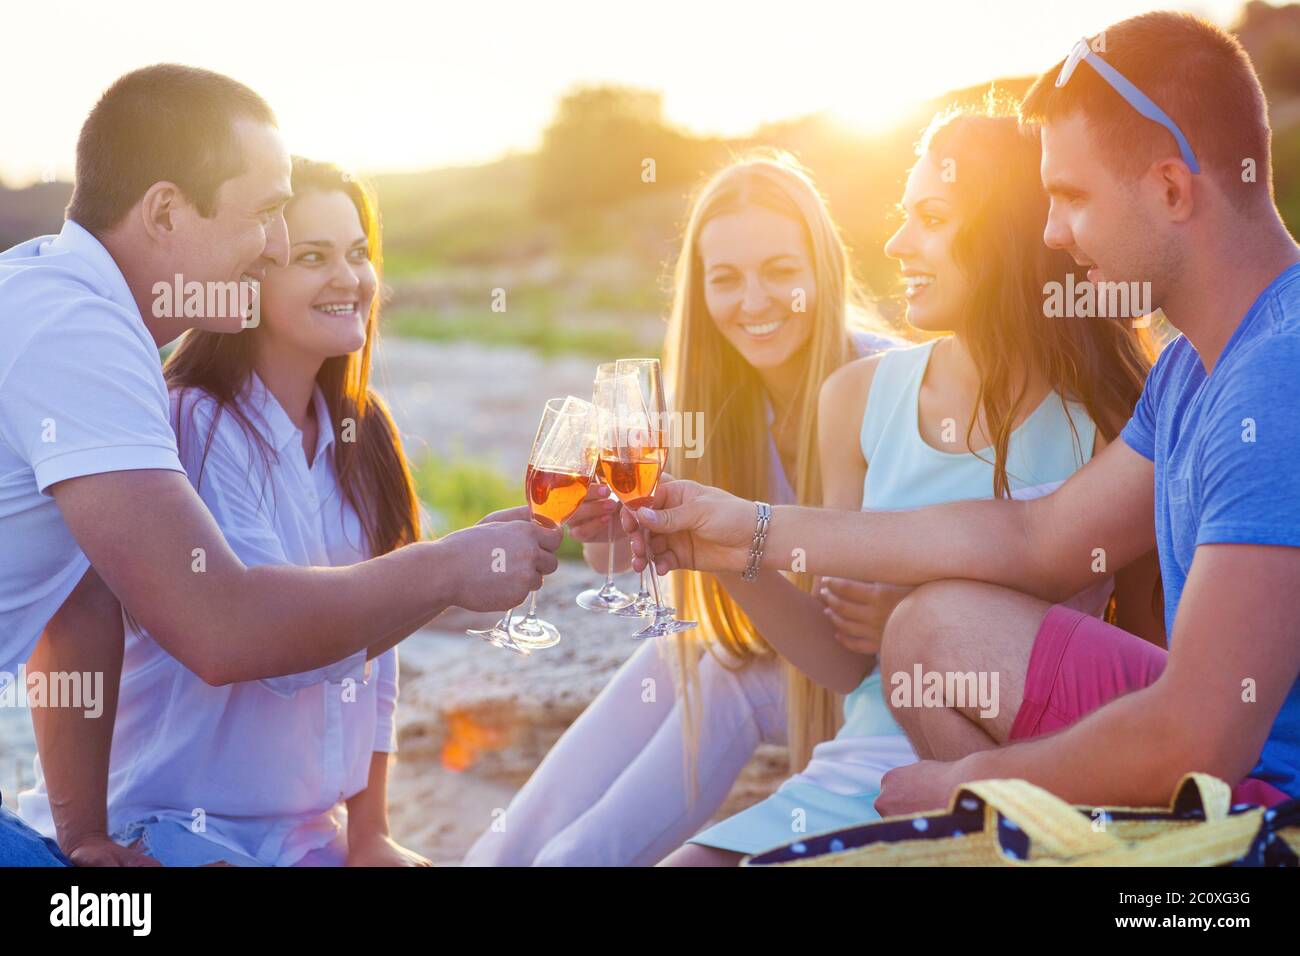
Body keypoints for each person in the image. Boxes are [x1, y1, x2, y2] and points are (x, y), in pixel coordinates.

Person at [624, 11, 1300, 816]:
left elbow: (1197, 738)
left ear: (1169, 188)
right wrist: (746, 527)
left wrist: (962, 790)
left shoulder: (1277, 376)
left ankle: (1012, 835)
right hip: (1221, 747)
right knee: (930, 630)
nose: (1050, 231)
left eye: (1071, 197)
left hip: (1265, 794)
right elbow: (1040, 538)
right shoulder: (1194, 365)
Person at [0, 65, 558, 866]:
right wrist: (443, 570)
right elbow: (221, 628)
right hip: (185, 824)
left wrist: (83, 835)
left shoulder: (89, 321)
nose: (280, 246)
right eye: (266, 214)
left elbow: (80, 601)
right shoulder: (77, 331)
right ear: (164, 210)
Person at [661, 100, 1161, 865]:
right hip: (862, 768)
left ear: (1007, 232)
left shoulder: (1112, 418)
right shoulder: (858, 398)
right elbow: (839, 665)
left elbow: (1139, 660)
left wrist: (920, 616)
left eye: (931, 215)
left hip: (1028, 775)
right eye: (903, 214)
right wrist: (724, 555)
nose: (896, 243)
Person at [464, 151, 901, 866]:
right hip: (758, 646)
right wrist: (600, 528)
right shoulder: (708, 397)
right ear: (698, 290)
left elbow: (851, 645)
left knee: (719, 674)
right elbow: (632, 560)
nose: (753, 301)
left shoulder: (887, 383)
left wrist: (723, 556)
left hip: (868, 682)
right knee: (677, 656)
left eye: (780, 271)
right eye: (725, 278)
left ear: (823, 268)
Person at [21, 159, 433, 866]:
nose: (349, 278)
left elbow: (377, 647)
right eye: (312, 257)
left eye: (358, 252)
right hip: (172, 830)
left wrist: (370, 832)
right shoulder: (192, 424)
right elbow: (268, 650)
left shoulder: (363, 431)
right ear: (254, 269)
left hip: (309, 835)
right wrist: (443, 574)